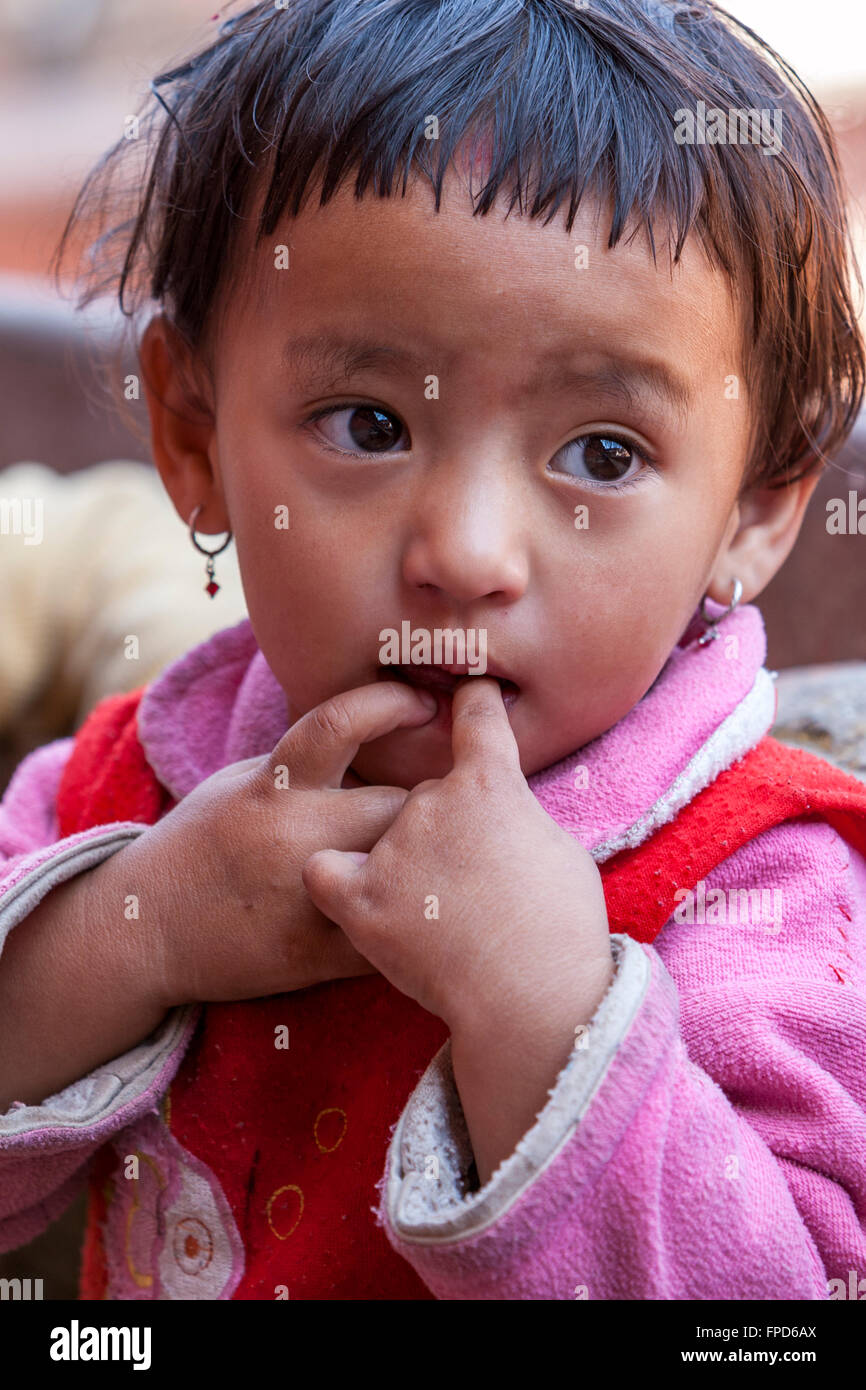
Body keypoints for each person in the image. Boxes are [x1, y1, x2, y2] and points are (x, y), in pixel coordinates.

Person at [0, 0, 865, 1301]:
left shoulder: (758, 888)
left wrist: (546, 1014)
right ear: (190, 436)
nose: (464, 552)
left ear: (752, 510)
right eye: (366, 423)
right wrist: (142, 932)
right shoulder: (121, 792)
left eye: (601, 454)